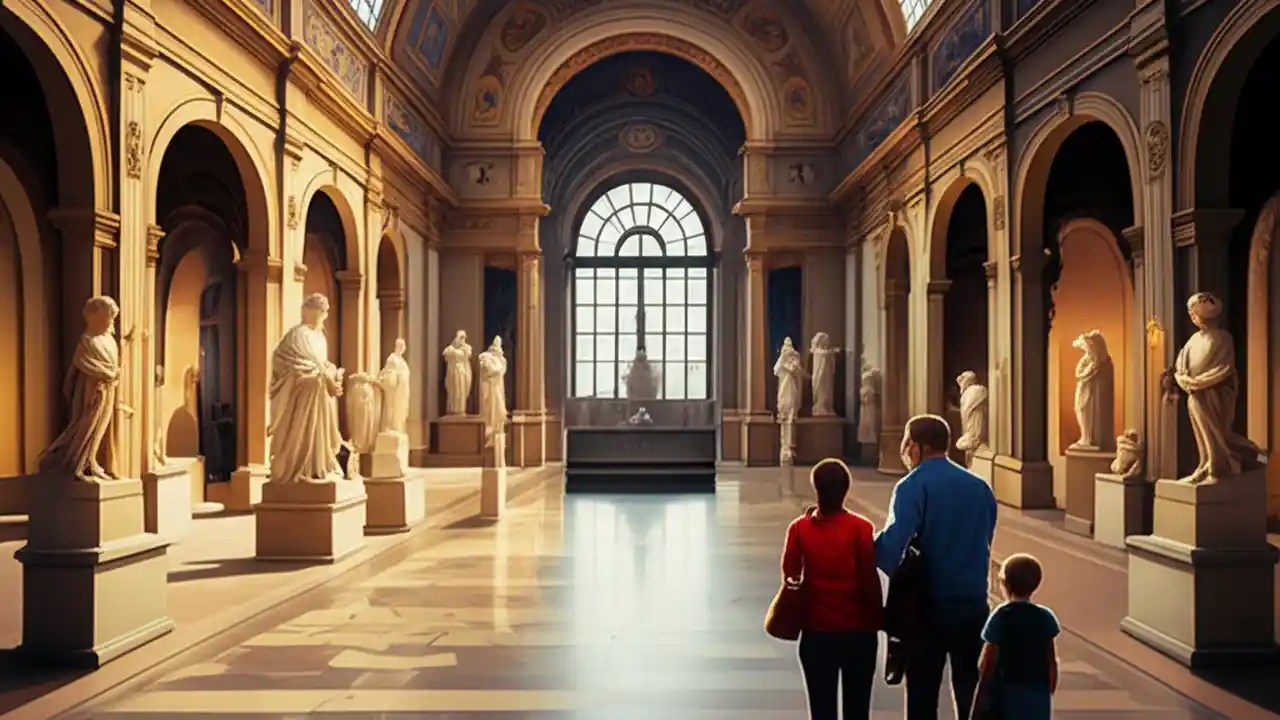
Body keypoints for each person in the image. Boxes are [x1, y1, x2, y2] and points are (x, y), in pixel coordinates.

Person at [875, 414, 997, 720]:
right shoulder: (980, 487)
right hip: (973, 602)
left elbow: (891, 548)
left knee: (922, 691)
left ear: (914, 447)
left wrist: (861, 542)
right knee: (971, 686)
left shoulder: (912, 486)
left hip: (928, 607)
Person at [782, 458, 883, 720]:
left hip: (816, 634)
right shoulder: (861, 528)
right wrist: (877, 621)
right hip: (858, 634)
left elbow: (790, 574)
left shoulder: (799, 529)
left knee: (821, 709)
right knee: (858, 709)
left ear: (815, 488)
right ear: (846, 489)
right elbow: (869, 580)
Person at [972, 554, 1059, 720]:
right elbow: (1051, 661)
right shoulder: (1045, 617)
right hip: (1037, 693)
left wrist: (981, 697)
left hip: (1007, 692)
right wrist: (1047, 693)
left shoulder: (1000, 617)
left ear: (1004, 584)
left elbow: (988, 661)